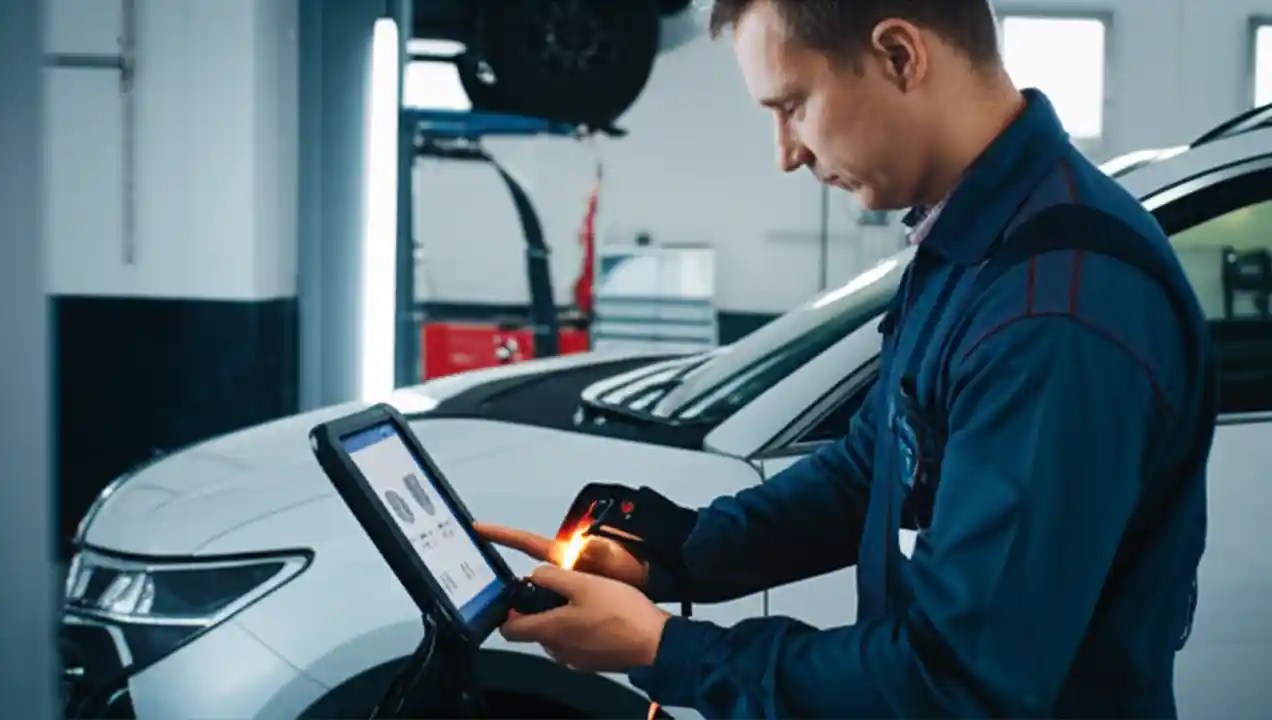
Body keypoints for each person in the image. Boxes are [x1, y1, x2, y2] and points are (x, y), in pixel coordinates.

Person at [477, 0, 1217, 716]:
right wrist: (673, 557)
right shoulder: (976, 245)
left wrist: (666, 650)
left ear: (900, 55)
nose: (786, 152)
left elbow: (959, 686)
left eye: (792, 105)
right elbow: (873, 468)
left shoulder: (1054, 314)